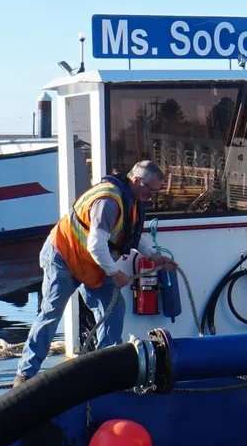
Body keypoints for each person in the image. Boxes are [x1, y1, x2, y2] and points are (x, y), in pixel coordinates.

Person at [17, 159, 166, 382]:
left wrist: (154, 255)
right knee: (51, 313)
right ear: (136, 180)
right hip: (64, 257)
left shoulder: (132, 200)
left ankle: (102, 373)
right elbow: (96, 244)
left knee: (113, 308)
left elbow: (130, 235)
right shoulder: (109, 202)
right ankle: (26, 373)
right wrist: (115, 272)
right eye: (150, 191)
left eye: (156, 192)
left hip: (92, 263)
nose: (152, 197)